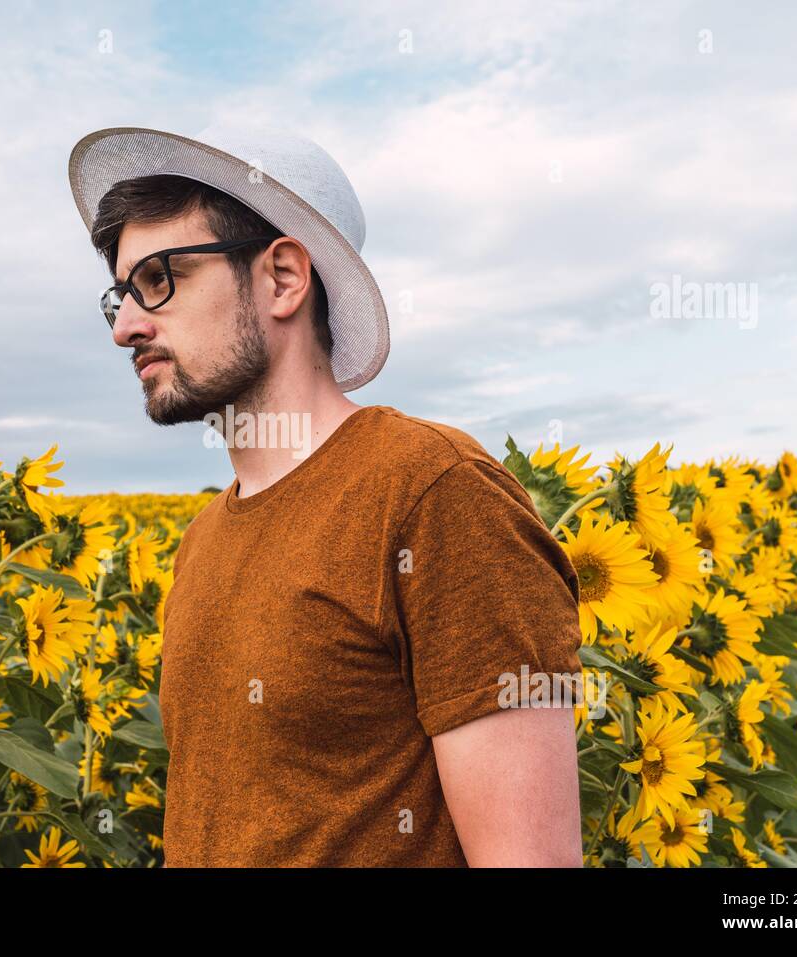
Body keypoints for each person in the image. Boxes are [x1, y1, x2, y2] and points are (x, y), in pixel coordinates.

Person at [67, 123, 585, 866]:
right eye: (120, 293)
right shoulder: (203, 539)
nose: (126, 326)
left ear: (283, 277)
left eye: (158, 279)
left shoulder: (434, 494)